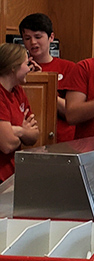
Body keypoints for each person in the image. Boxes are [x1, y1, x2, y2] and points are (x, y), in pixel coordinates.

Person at [19, 12, 76, 143]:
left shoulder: (69, 68)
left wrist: (43, 85)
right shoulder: (18, 70)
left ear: (51, 37)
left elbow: (72, 112)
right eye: (27, 38)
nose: (33, 42)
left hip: (62, 141)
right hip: (30, 140)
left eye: (38, 37)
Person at [0, 43, 40, 181]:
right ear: (13, 67)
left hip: (13, 175)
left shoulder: (18, 91)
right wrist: (23, 131)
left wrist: (17, 130)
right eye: (26, 63)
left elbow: (34, 135)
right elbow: (7, 144)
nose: (29, 68)